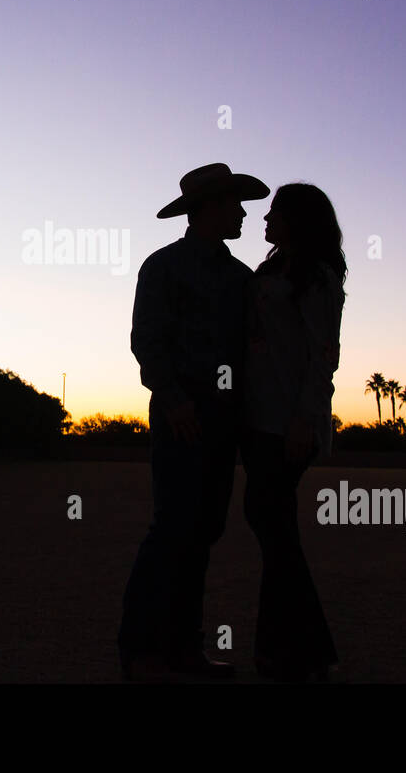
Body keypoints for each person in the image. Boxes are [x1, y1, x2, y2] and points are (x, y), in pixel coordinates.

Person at [118, 163, 269, 681]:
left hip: (223, 422)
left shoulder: (242, 278)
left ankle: (184, 648)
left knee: (202, 530)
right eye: (235, 204)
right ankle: (143, 652)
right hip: (183, 415)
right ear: (212, 207)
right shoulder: (163, 267)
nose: (244, 213)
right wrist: (175, 400)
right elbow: (148, 341)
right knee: (172, 530)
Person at [241, 182, 347, 682]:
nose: (265, 221)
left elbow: (325, 355)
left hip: (290, 423)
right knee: (274, 528)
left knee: (271, 524)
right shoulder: (268, 272)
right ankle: (284, 649)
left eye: (274, 213)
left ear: (298, 220)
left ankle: (301, 650)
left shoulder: (317, 278)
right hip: (259, 419)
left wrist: (305, 418)